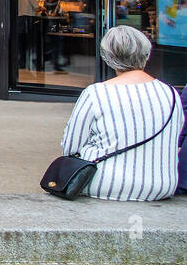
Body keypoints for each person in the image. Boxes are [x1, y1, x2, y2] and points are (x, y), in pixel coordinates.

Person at [60, 25, 183, 200]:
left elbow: (70, 147)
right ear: (146, 53)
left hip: (104, 184)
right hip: (161, 185)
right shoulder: (171, 93)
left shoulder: (96, 93)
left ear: (107, 57)